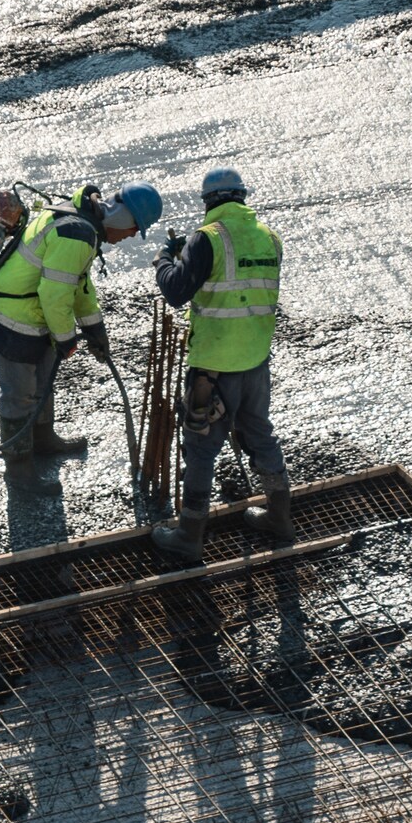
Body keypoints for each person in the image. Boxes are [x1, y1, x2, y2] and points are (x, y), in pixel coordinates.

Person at [0, 182, 164, 481]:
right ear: (124, 219)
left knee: (43, 383)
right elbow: (56, 294)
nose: (129, 237)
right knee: (20, 395)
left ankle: (44, 440)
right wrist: (66, 339)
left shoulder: (82, 221)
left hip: (34, 315)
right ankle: (19, 467)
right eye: (132, 230)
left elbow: (78, 285)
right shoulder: (76, 232)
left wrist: (94, 329)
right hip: (12, 318)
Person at [149, 168, 288, 563]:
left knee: (201, 448)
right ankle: (280, 518)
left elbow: (176, 291)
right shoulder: (270, 237)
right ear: (241, 197)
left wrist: (164, 260)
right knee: (260, 433)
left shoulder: (207, 239)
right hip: (256, 360)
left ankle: (189, 536)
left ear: (208, 202)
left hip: (213, 365)